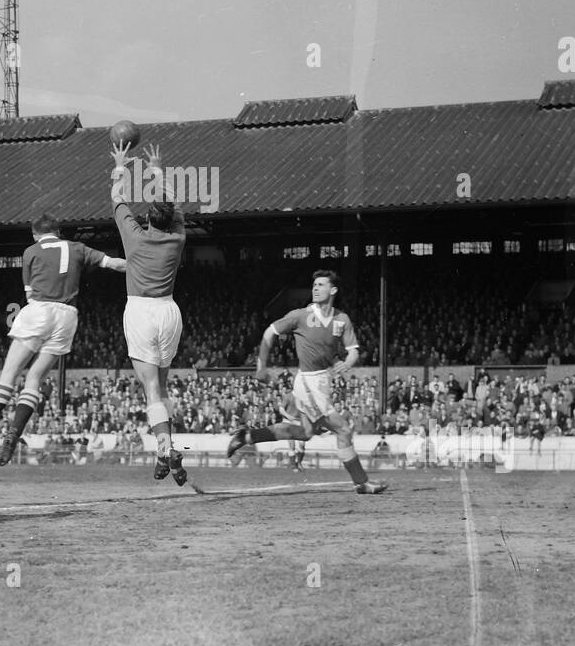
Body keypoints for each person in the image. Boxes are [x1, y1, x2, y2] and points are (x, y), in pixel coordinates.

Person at [0, 213, 126, 465]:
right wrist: (146, 266)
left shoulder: (30, 252)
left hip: (39, 310)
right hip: (67, 317)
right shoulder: (78, 248)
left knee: (9, 375)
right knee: (34, 378)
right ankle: (13, 433)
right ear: (58, 232)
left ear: (35, 234)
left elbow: (29, 294)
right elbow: (115, 264)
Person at [227, 271, 387, 495]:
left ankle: (247, 436)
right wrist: (261, 366)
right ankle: (362, 483)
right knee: (342, 428)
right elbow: (269, 332)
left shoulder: (342, 319)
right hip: (308, 381)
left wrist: (348, 362)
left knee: (305, 432)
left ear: (333, 290)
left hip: (323, 382)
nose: (315, 288)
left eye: (321, 284)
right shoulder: (300, 315)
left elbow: (353, 352)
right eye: (314, 284)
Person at [111, 142, 188, 485]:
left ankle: (165, 448)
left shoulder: (135, 238)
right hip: (169, 311)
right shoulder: (178, 238)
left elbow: (117, 198)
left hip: (140, 311)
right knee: (163, 387)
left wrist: (121, 166)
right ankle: (164, 451)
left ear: (147, 220)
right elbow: (174, 203)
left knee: (151, 391)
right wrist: (158, 168)